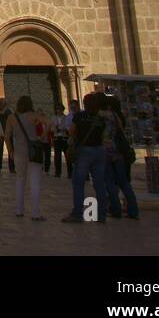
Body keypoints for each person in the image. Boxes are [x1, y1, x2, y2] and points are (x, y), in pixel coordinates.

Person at [63, 92, 109, 224]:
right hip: (99, 151)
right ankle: (101, 215)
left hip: (84, 151)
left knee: (78, 183)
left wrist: (71, 144)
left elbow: (72, 132)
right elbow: (105, 135)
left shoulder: (79, 116)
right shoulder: (101, 119)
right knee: (99, 183)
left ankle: (78, 213)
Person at [4, 95, 44, 220]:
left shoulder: (11, 117)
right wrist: (41, 137)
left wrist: (10, 150)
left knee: (20, 180)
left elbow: (6, 136)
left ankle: (19, 210)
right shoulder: (34, 115)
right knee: (35, 182)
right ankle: (35, 213)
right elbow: (49, 123)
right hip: (33, 151)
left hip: (19, 151)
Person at [102, 95, 139, 220]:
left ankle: (115, 209)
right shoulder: (118, 117)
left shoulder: (102, 116)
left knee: (110, 182)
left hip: (106, 152)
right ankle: (133, 210)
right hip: (119, 152)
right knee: (124, 182)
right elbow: (121, 132)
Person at [0, 98, 15, 173]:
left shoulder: (8, 110)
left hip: (9, 132)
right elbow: (1, 113)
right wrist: (7, 107)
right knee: (0, 150)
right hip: (0, 132)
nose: (3, 104)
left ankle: (12, 168)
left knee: (11, 149)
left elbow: (13, 116)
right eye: (3, 103)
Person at [49, 102, 68, 177]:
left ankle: (70, 172)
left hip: (64, 137)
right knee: (57, 156)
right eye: (57, 109)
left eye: (60, 109)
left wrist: (62, 129)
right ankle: (57, 172)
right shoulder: (53, 118)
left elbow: (67, 127)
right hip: (56, 137)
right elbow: (51, 127)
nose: (58, 110)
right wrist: (55, 129)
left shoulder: (66, 118)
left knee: (67, 155)